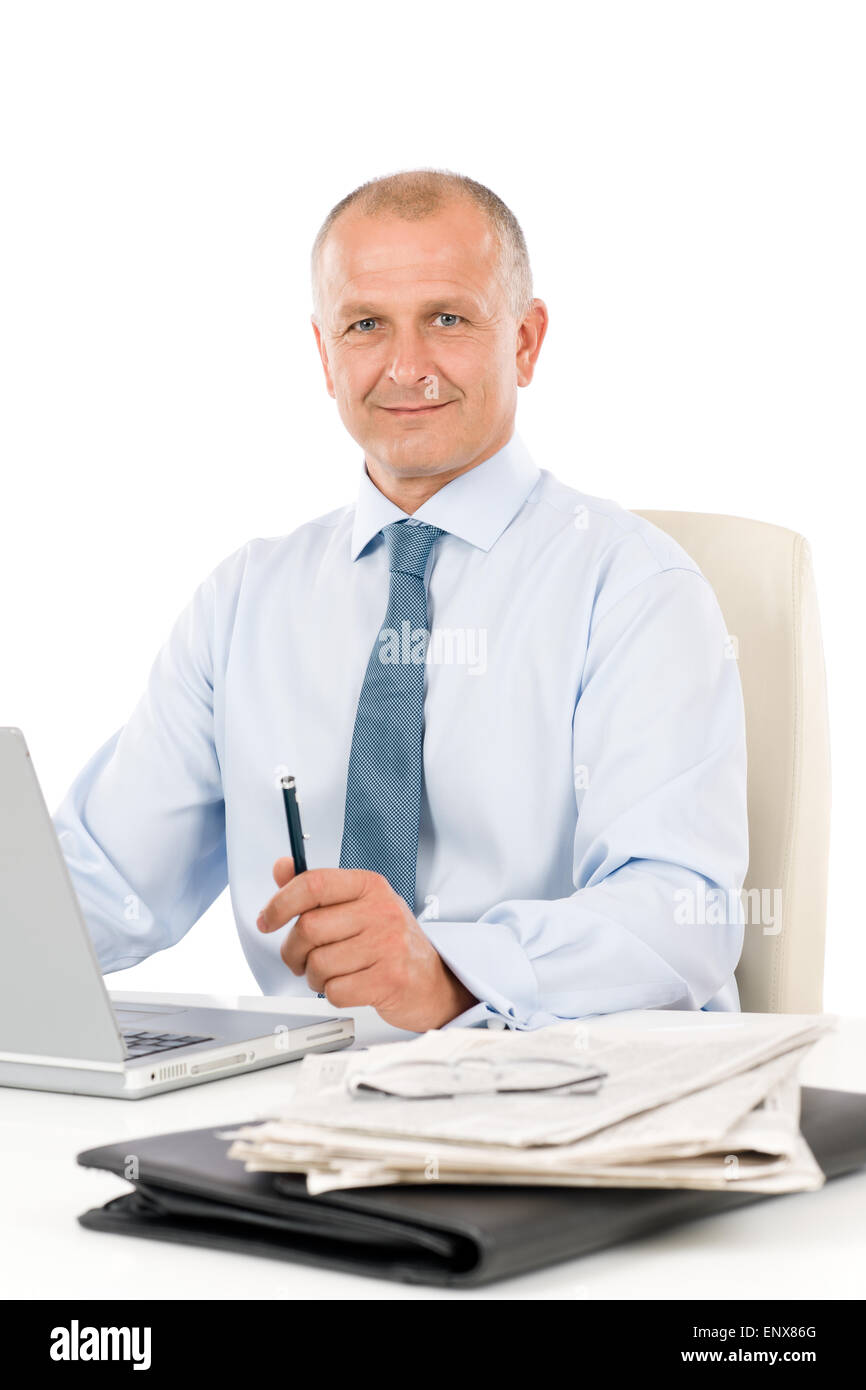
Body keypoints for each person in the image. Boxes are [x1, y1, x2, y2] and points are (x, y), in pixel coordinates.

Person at [52, 168, 749, 1032]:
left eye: (448, 319)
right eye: (366, 325)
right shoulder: (245, 603)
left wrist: (451, 972)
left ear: (526, 342)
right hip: (313, 1109)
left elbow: (684, 913)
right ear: (324, 354)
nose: (406, 366)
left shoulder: (634, 588)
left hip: (578, 1098)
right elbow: (106, 879)